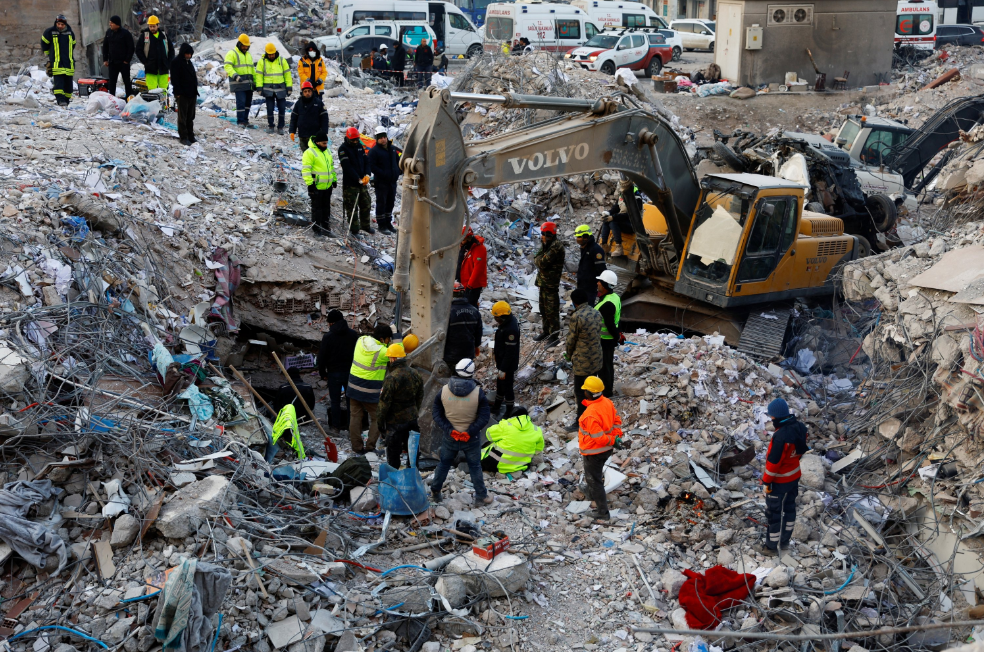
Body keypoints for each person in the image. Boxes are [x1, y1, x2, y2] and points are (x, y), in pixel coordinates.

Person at [430, 358, 492, 506]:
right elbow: (484, 417)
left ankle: (436, 491)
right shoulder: (478, 393)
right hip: (470, 438)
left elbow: (436, 413)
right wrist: (469, 431)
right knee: (475, 466)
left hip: (451, 436)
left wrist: (450, 429)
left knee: (444, 464)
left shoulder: (444, 390)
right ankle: (481, 496)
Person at [761, 398, 808, 552]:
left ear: (775, 417)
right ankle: (785, 541)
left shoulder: (780, 436)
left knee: (773, 514)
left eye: (772, 416)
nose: (771, 419)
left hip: (779, 482)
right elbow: (800, 452)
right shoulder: (800, 427)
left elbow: (773, 464)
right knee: (789, 509)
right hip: (794, 477)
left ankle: (771, 547)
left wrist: (766, 482)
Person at [578, 376, 622, 524]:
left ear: (589, 394)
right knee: (596, 476)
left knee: (594, 480)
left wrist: (612, 439)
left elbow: (599, 438)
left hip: (594, 452)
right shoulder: (607, 402)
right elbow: (616, 421)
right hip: (607, 450)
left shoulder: (590, 414)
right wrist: (616, 438)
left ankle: (602, 512)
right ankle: (592, 493)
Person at [346, 323, 393, 453]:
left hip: (353, 387)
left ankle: (357, 448)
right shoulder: (383, 352)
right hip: (369, 391)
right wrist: (398, 336)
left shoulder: (361, 340)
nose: (389, 342)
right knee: (378, 418)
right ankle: (370, 447)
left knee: (355, 417)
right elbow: (399, 352)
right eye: (389, 339)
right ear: (383, 339)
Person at [377, 343, 424, 469]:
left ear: (392, 359)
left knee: (393, 455)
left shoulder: (391, 378)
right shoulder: (415, 373)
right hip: (412, 419)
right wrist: (414, 410)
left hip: (395, 422)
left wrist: (380, 423)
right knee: (413, 451)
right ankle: (412, 477)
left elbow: (384, 404)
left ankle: (395, 481)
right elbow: (420, 395)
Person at [565, 289, 603, 429]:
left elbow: (571, 340)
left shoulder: (577, 317)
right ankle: (596, 417)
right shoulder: (596, 312)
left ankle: (581, 422)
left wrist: (568, 355)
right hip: (596, 359)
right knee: (594, 390)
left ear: (575, 302)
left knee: (581, 393)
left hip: (582, 362)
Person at [317, 310, 360, 430]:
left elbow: (322, 357)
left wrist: (323, 373)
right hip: (350, 373)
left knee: (335, 401)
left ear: (331, 323)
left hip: (333, 373)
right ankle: (352, 428)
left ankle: (335, 427)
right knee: (350, 401)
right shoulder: (353, 335)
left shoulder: (328, 336)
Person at [481, 407, 544, 474]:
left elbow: (489, 435)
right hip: (521, 466)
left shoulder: (505, 426)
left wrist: (502, 423)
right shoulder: (537, 430)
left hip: (497, 465)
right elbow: (538, 450)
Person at [533, 221, 565, 343]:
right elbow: (537, 258)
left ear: (549, 234)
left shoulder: (556, 246)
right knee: (544, 310)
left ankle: (554, 335)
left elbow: (541, 262)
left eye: (543, 234)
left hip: (551, 284)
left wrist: (538, 259)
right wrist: (538, 257)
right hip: (543, 284)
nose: (541, 236)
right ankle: (546, 332)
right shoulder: (547, 245)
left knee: (552, 311)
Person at [338, 127, 374, 235]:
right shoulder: (343, 149)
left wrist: (367, 174)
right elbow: (347, 166)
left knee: (366, 203)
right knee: (352, 206)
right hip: (350, 184)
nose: (355, 142)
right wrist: (357, 179)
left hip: (362, 182)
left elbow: (366, 161)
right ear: (348, 139)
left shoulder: (359, 146)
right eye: (353, 140)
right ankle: (354, 229)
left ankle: (365, 226)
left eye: (356, 140)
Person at [301, 131, 337, 236]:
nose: (326, 145)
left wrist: (334, 179)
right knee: (317, 208)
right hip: (316, 186)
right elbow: (306, 170)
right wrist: (310, 184)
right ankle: (317, 229)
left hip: (328, 186)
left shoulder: (328, 151)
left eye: (327, 143)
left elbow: (331, 167)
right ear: (317, 142)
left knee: (326, 207)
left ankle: (326, 227)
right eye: (324, 143)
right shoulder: (309, 152)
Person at [367, 126, 400, 234]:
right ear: (377, 138)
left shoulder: (392, 148)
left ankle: (388, 223)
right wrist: (384, 174)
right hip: (381, 182)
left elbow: (398, 161)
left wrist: (398, 172)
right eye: (380, 137)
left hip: (392, 181)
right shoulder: (374, 151)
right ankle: (381, 225)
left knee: (390, 202)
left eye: (384, 137)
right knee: (382, 203)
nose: (383, 139)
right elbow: (372, 166)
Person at [594, 269, 621, 399]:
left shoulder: (607, 304)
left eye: (600, 281)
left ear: (605, 285)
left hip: (604, 339)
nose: (597, 283)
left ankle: (607, 393)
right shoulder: (614, 297)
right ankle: (607, 390)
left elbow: (609, 325)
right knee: (608, 365)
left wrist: (617, 336)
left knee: (604, 368)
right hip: (608, 339)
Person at [491, 301, 520, 418]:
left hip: (507, 364)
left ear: (502, 317)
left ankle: (509, 411)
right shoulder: (507, 323)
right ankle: (497, 407)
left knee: (507, 387)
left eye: (496, 317)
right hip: (502, 362)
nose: (495, 319)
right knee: (500, 385)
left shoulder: (511, 329)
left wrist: (503, 369)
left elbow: (510, 352)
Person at [255, 43, 292, 135]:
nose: (271, 56)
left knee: (282, 108)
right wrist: (259, 87)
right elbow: (259, 75)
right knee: (270, 108)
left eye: (273, 54)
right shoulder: (262, 61)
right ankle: (271, 126)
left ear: (276, 52)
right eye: (270, 54)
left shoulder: (282, 60)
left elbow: (287, 74)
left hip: (280, 88)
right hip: (268, 89)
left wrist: (289, 87)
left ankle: (281, 127)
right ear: (266, 53)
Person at [445, 282, 482, 371]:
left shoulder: (447, 312)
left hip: (452, 355)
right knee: (466, 375)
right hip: (468, 353)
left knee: (453, 379)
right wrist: (476, 345)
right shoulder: (474, 311)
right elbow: (478, 332)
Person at [41, 15, 76, 107]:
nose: (60, 26)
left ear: (65, 24)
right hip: (57, 63)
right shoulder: (50, 32)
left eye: (62, 24)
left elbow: (73, 45)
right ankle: (60, 100)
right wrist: (50, 55)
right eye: (58, 24)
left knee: (69, 86)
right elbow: (44, 44)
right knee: (58, 84)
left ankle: (67, 100)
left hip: (68, 63)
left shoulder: (70, 33)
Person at [135, 16, 174, 94]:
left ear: (158, 25)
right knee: (152, 91)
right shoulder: (144, 36)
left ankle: (163, 105)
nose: (152, 28)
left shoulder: (164, 36)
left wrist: (168, 63)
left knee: (164, 91)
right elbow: (138, 50)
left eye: (154, 26)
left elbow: (171, 50)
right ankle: (154, 104)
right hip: (150, 69)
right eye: (150, 26)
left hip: (163, 69)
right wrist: (145, 62)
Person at [289, 81, 330, 153]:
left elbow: (324, 118)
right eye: (305, 91)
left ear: (312, 91)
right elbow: (294, 118)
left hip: (315, 135)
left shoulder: (318, 102)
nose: (307, 93)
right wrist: (292, 131)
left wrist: (324, 132)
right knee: (306, 155)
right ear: (302, 92)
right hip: (302, 135)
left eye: (309, 91)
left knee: (316, 155)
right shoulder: (298, 103)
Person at [170, 43, 198, 147]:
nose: (189, 56)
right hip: (182, 94)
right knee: (183, 117)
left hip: (192, 93)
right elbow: (175, 79)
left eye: (190, 54)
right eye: (187, 54)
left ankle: (190, 135)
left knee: (190, 116)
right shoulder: (176, 62)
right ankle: (183, 137)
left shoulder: (188, 62)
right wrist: (178, 93)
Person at [224, 34, 255, 127]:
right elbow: (227, 66)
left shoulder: (248, 55)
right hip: (239, 83)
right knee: (241, 102)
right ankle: (240, 121)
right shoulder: (232, 53)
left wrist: (255, 83)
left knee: (247, 103)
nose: (245, 48)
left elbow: (252, 70)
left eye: (247, 46)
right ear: (239, 44)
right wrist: (235, 76)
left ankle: (245, 120)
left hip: (248, 84)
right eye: (243, 46)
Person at [600, 191, 641, 258]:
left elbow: (630, 215)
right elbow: (616, 208)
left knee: (613, 222)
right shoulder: (622, 196)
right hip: (622, 221)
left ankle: (619, 247)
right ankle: (604, 246)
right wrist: (607, 214)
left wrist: (613, 217)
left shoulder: (637, 199)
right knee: (606, 221)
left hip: (633, 224)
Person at [102, 16, 134, 99]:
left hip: (123, 63)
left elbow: (131, 48)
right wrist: (105, 59)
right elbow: (105, 46)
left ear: (117, 24)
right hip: (112, 62)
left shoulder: (125, 33)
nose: (110, 24)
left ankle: (129, 98)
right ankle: (112, 98)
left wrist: (127, 60)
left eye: (112, 23)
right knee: (112, 82)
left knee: (126, 81)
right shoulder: (109, 33)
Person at [456, 225, 488, 307]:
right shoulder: (464, 247)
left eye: (462, 240)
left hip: (473, 285)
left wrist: (469, 286)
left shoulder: (479, 248)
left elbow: (478, 269)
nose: (460, 242)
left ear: (468, 238)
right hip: (462, 283)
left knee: (470, 306)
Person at [575, 224, 607, 305]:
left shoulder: (596, 250)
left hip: (590, 286)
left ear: (585, 237)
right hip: (582, 285)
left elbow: (601, 269)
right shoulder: (585, 247)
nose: (577, 239)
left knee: (588, 307)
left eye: (579, 237)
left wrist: (602, 286)